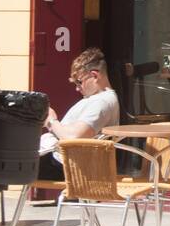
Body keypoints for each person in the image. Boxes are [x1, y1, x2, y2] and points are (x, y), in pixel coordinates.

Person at [36, 48, 120, 181]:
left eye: (79, 82)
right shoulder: (98, 99)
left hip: (63, 164)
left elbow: (73, 137)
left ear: (95, 76)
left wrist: (51, 121)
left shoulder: (101, 102)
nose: (77, 88)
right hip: (59, 160)